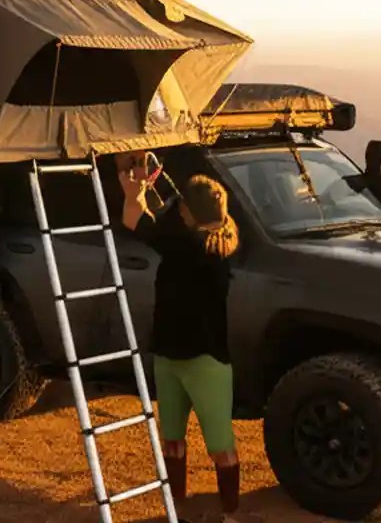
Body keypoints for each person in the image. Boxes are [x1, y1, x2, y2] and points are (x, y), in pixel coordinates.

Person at [118, 152, 251, 523]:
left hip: (178, 357)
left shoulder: (183, 245)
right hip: (203, 360)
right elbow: (162, 221)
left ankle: (180, 506)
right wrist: (150, 190)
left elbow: (135, 220)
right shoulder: (214, 242)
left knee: (176, 440)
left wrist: (134, 192)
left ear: (188, 216)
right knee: (219, 445)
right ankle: (228, 513)